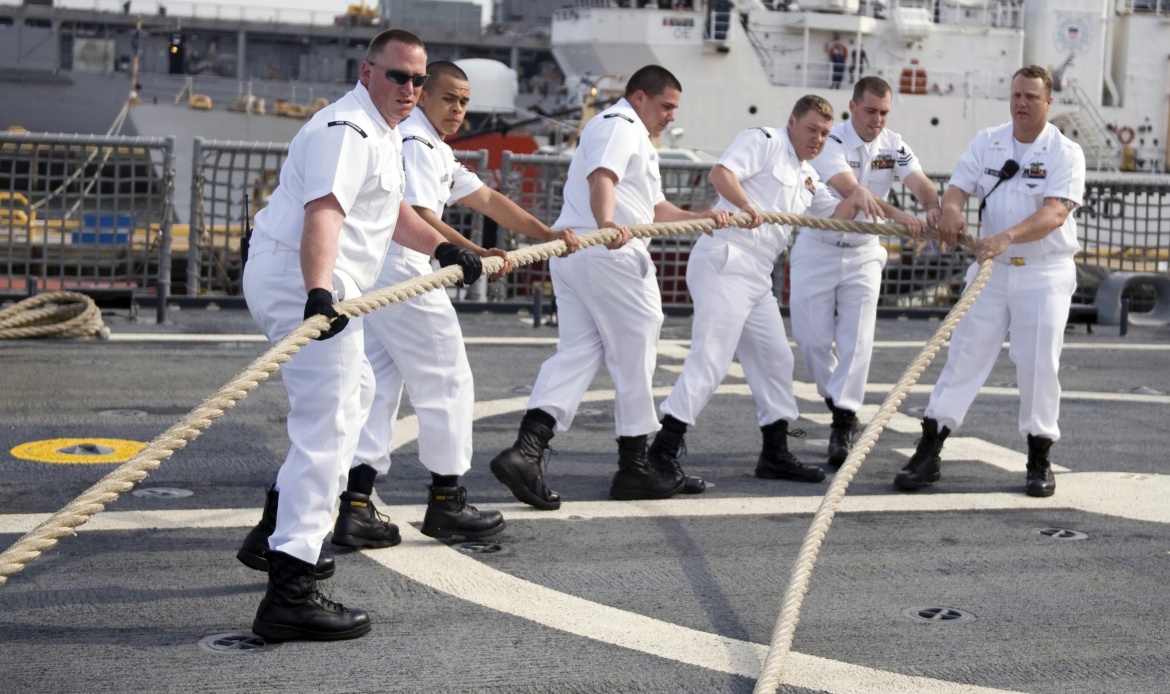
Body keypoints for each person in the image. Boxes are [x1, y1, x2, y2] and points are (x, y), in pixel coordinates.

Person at [236, 29, 483, 642]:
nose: (409, 89)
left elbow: (395, 214)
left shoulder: (384, 132)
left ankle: (273, 535)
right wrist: (319, 294)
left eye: (418, 80)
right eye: (397, 76)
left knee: (358, 394)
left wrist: (450, 247)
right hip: (305, 278)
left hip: (316, 279)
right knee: (330, 427)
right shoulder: (347, 130)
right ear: (367, 72)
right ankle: (289, 587)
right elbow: (326, 212)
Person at [329, 61, 581, 547]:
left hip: (378, 276)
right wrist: (472, 251)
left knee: (380, 387)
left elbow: (487, 197)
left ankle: (355, 503)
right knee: (448, 380)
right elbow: (421, 215)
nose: (459, 110)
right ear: (423, 97)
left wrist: (546, 233)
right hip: (406, 270)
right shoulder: (419, 144)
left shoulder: (428, 145)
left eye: (464, 101)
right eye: (449, 98)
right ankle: (446, 501)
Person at [489, 65, 730, 508]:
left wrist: (702, 217)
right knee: (636, 352)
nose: (671, 117)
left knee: (579, 351)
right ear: (639, 97)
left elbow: (653, 207)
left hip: (577, 254)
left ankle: (527, 450)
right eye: (666, 106)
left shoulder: (628, 132)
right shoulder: (621, 125)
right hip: (609, 253)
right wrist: (607, 224)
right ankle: (635, 468)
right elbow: (604, 178)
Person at [647, 96, 885, 485]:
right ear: (792, 122)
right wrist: (746, 204)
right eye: (812, 129)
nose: (818, 139)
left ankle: (774, 453)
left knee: (776, 360)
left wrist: (857, 197)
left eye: (825, 133)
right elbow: (721, 174)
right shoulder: (765, 140)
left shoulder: (809, 176)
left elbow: (835, 218)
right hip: (727, 257)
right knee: (711, 360)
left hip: (757, 274)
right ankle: (661, 452)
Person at [894, 65, 1085, 498]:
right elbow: (959, 187)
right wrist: (953, 209)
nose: (1021, 103)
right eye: (1016, 95)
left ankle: (1039, 459)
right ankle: (930, 449)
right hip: (991, 272)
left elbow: (1055, 213)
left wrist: (1005, 237)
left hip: (1044, 272)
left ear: (1048, 103)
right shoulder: (989, 141)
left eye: (1031, 97)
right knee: (964, 356)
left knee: (1038, 365)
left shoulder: (1065, 152)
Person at [789, 76, 940, 468]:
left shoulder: (894, 144)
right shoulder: (831, 141)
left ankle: (843, 420)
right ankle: (838, 400)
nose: (877, 120)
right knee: (811, 341)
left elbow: (918, 180)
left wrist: (932, 205)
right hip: (818, 247)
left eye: (884, 112)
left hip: (863, 253)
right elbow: (854, 192)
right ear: (853, 107)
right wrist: (902, 216)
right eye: (871, 111)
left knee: (857, 339)